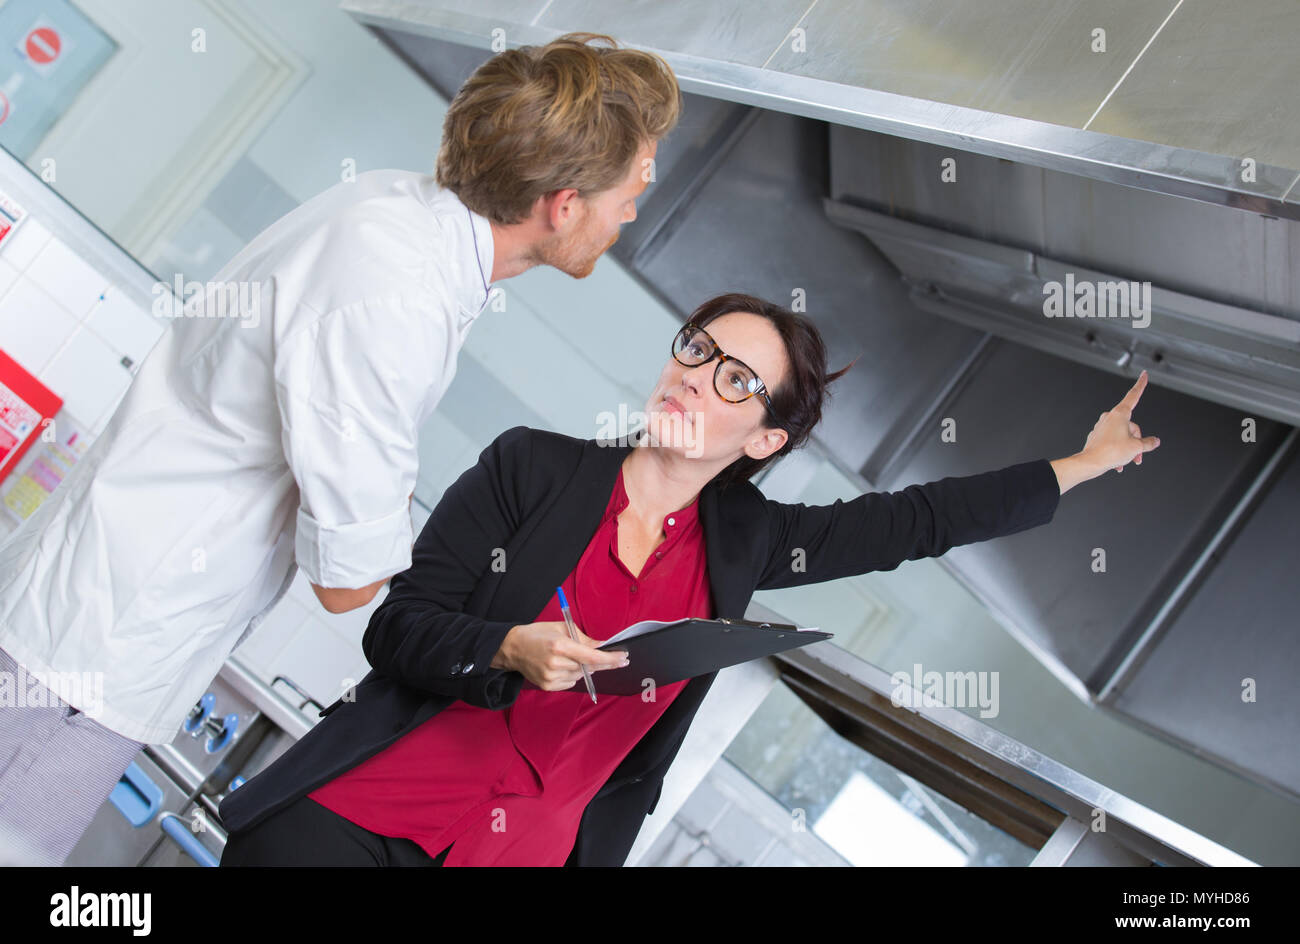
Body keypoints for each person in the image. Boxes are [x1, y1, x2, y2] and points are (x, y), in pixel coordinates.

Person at [0, 32, 681, 866]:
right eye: (631, 189)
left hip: (92, 632)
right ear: (565, 203)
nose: (633, 213)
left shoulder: (401, 223)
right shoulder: (394, 293)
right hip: (89, 658)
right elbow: (348, 580)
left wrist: (381, 498)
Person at [216, 292, 1161, 867]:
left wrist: (1078, 466)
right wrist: (504, 648)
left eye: (736, 380)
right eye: (698, 348)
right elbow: (400, 629)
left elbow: (915, 523)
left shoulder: (748, 544)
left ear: (765, 440)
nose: (697, 376)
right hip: (357, 821)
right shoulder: (531, 467)